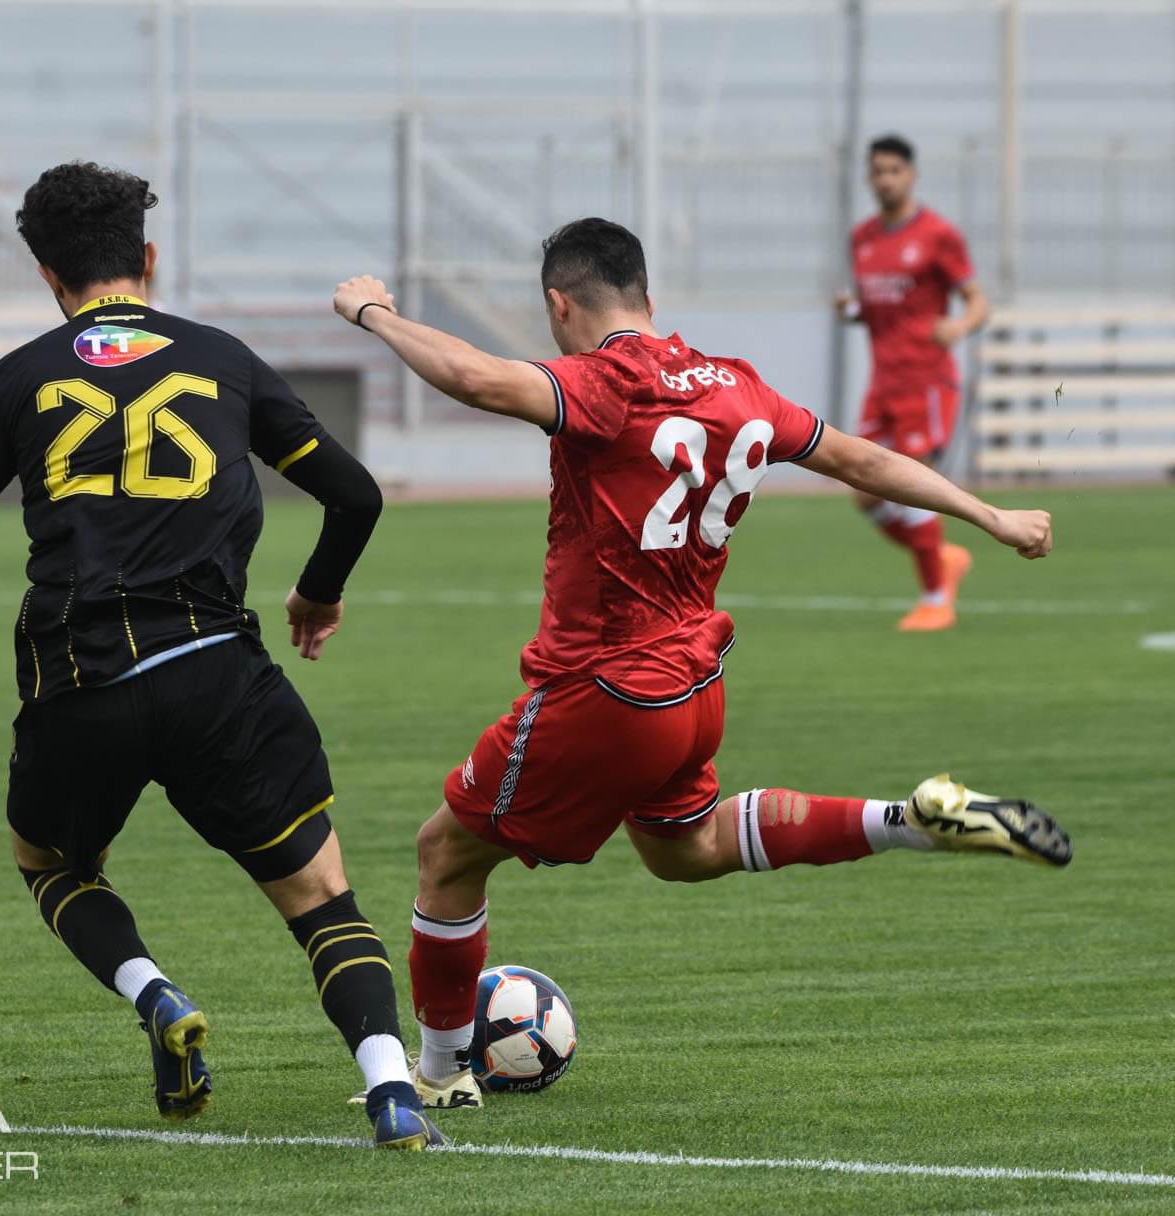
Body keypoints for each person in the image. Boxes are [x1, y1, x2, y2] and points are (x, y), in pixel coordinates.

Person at [0, 161, 443, 1150]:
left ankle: (158, 994)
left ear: (47, 275)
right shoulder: (224, 360)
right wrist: (318, 591)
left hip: (78, 677)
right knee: (320, 896)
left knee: (51, 860)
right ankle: (389, 1087)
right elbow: (358, 495)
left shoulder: (20, 379)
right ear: (148, 257)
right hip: (216, 667)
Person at [332, 217, 1069, 1111]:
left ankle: (444, 1073)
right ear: (650, 295)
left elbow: (474, 377)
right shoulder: (736, 385)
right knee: (687, 849)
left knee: (446, 854)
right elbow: (861, 458)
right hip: (693, 683)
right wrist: (989, 516)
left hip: (605, 689)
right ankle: (910, 819)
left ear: (560, 305)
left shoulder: (604, 383)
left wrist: (374, 313)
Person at [838, 134, 991, 631]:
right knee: (864, 492)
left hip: (926, 381)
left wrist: (958, 327)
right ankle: (943, 557)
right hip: (883, 381)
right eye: (877, 170)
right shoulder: (862, 238)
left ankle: (934, 597)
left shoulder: (937, 235)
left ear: (911, 175)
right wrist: (854, 310)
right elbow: (884, 309)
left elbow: (977, 301)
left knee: (912, 484)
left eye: (893, 170)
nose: (884, 179)